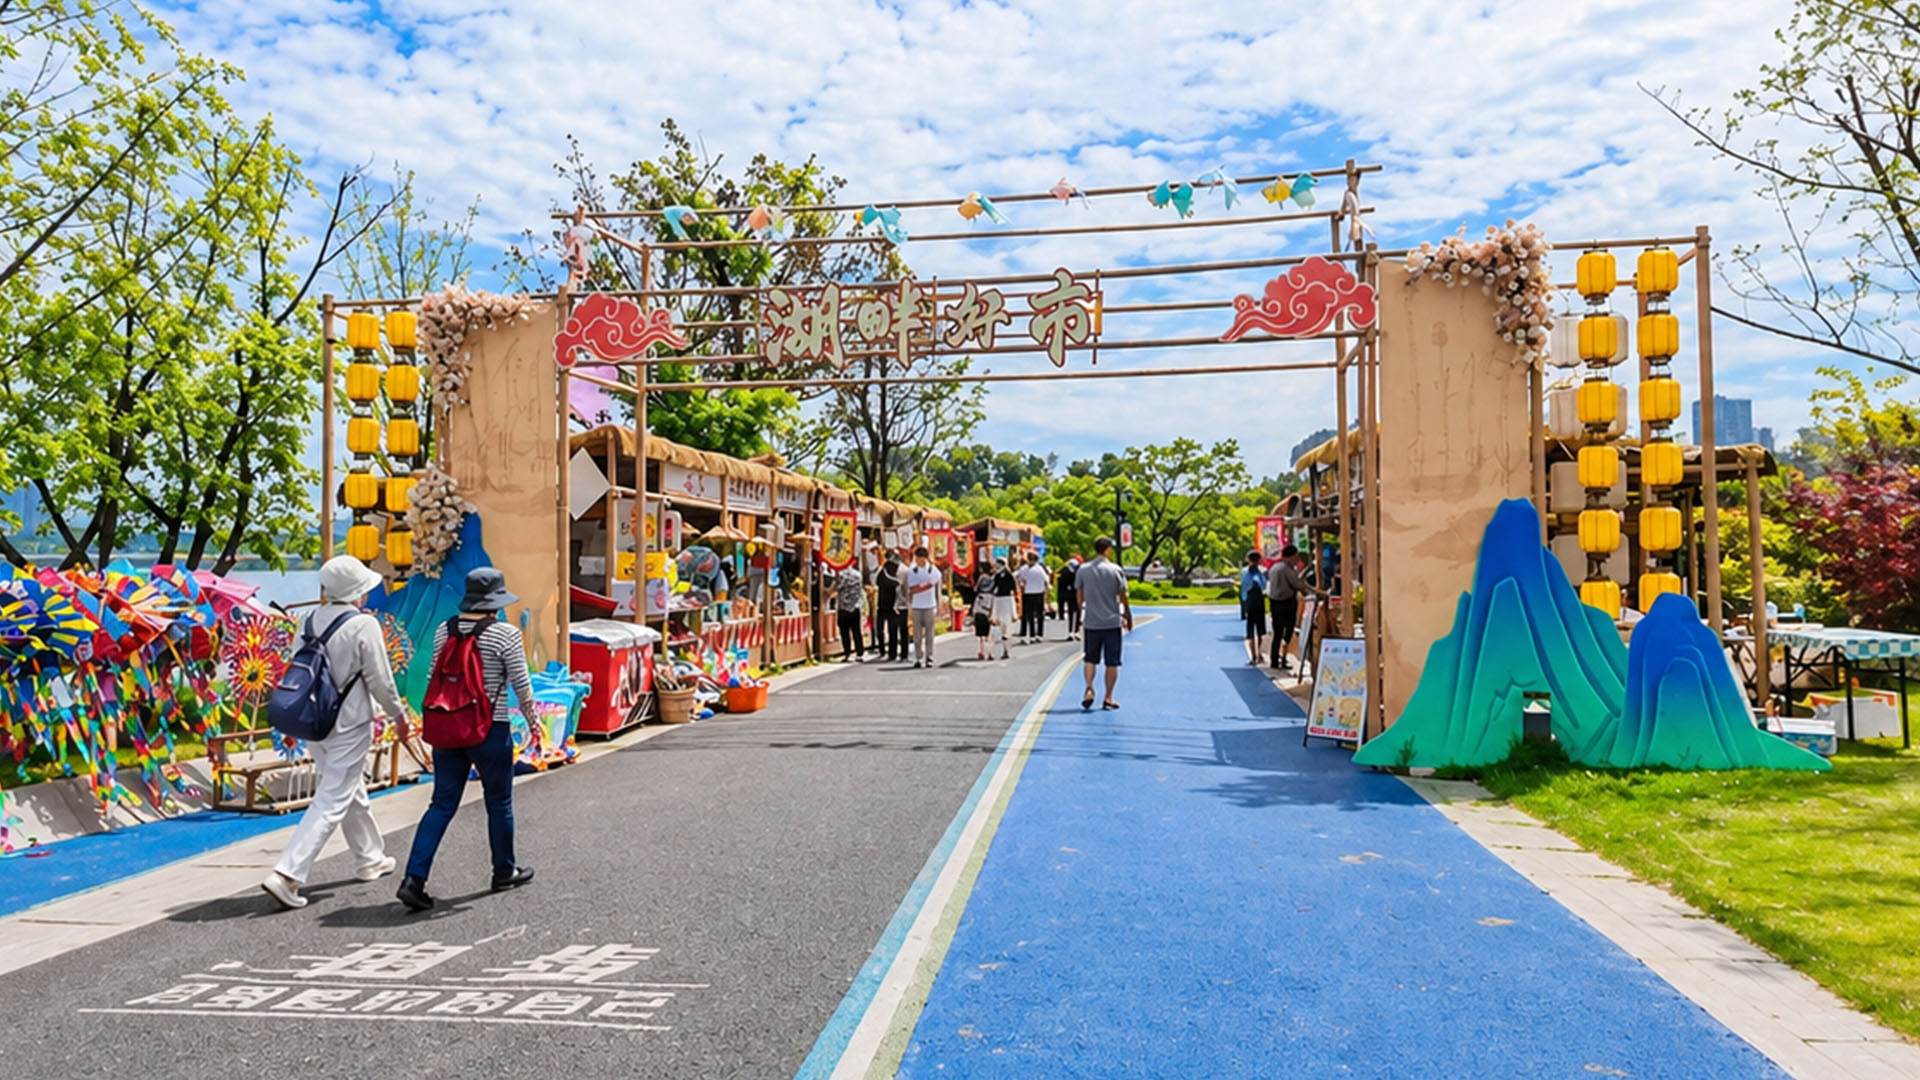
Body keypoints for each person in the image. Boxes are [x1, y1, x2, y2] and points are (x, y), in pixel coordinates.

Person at [261, 556, 409, 910]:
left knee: (345, 787)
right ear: (358, 590)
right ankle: (287, 874)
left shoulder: (309, 620)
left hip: (314, 719)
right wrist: (399, 715)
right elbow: (381, 680)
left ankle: (370, 857)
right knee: (332, 798)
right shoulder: (363, 625)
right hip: (350, 722)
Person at [396, 568, 538, 912]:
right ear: (495, 602)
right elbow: (521, 684)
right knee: (498, 802)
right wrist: (535, 724)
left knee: (441, 804)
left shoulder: (446, 629)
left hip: (448, 728)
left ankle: (413, 878)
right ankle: (504, 870)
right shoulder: (506, 634)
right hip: (490, 729)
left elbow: (433, 677)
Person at [1076, 538, 1132, 710]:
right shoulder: (1115, 570)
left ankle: (1089, 688)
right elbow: (1122, 595)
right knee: (1112, 662)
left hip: (1092, 621)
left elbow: (1079, 594)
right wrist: (1127, 614)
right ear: (1107, 550)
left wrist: (1082, 610)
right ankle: (1108, 696)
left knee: (1090, 659)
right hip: (1111, 622)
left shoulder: (1083, 570)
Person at [1267, 544, 1313, 671]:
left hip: (1274, 602)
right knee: (1288, 631)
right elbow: (1296, 584)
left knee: (1277, 633)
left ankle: (1274, 659)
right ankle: (1283, 657)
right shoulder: (1287, 569)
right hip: (1287, 603)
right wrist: (1306, 593)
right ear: (1292, 556)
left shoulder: (1274, 568)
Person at [905, 545, 943, 668]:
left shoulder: (934, 571)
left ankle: (929, 657)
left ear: (925, 558)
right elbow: (912, 589)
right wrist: (926, 585)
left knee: (929, 634)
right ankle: (918, 657)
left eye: (919, 558)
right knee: (917, 635)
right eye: (916, 558)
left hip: (930, 605)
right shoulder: (912, 571)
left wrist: (938, 604)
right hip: (917, 606)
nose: (917, 560)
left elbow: (937, 589)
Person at [876, 551, 907, 662]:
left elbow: (903, 588)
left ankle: (901, 654)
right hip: (885, 604)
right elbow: (878, 581)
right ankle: (890, 653)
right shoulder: (884, 570)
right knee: (890, 630)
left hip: (896, 604)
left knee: (898, 629)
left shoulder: (903, 571)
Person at [1240, 549, 1269, 665]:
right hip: (1258, 600)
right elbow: (1263, 585)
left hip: (1250, 601)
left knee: (1252, 628)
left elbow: (1244, 586)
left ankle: (1254, 655)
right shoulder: (1261, 571)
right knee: (1259, 629)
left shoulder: (1245, 572)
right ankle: (1258, 654)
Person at [835, 560, 867, 661]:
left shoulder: (840, 575)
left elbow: (838, 587)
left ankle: (847, 653)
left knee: (844, 632)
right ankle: (859, 653)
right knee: (856, 631)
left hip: (843, 607)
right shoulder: (858, 575)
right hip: (855, 606)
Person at [1016, 551, 1049, 644]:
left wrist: (1020, 585)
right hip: (1037, 593)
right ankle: (1037, 635)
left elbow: (1017, 577)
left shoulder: (1025, 569)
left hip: (1029, 593)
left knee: (1029, 614)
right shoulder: (1040, 569)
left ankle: (1032, 635)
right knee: (1038, 615)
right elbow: (1046, 581)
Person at [989, 558, 1018, 660]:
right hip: (998, 600)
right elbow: (993, 588)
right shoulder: (996, 576)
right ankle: (1004, 649)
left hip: (1007, 600)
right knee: (1000, 625)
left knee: (1007, 624)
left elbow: (1013, 589)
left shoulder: (1009, 576)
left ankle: (1007, 649)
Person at [971, 571, 995, 660]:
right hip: (987, 615)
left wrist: (973, 617)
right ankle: (989, 653)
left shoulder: (978, 596)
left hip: (978, 614)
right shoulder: (992, 596)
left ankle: (981, 651)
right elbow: (993, 607)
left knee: (980, 636)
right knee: (989, 635)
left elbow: (975, 608)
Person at [1056, 556, 1081, 640]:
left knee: (1071, 612)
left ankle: (1071, 631)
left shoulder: (1064, 571)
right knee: (1077, 612)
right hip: (1077, 593)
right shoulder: (1079, 571)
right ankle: (1076, 631)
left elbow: (1060, 583)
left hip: (1069, 593)